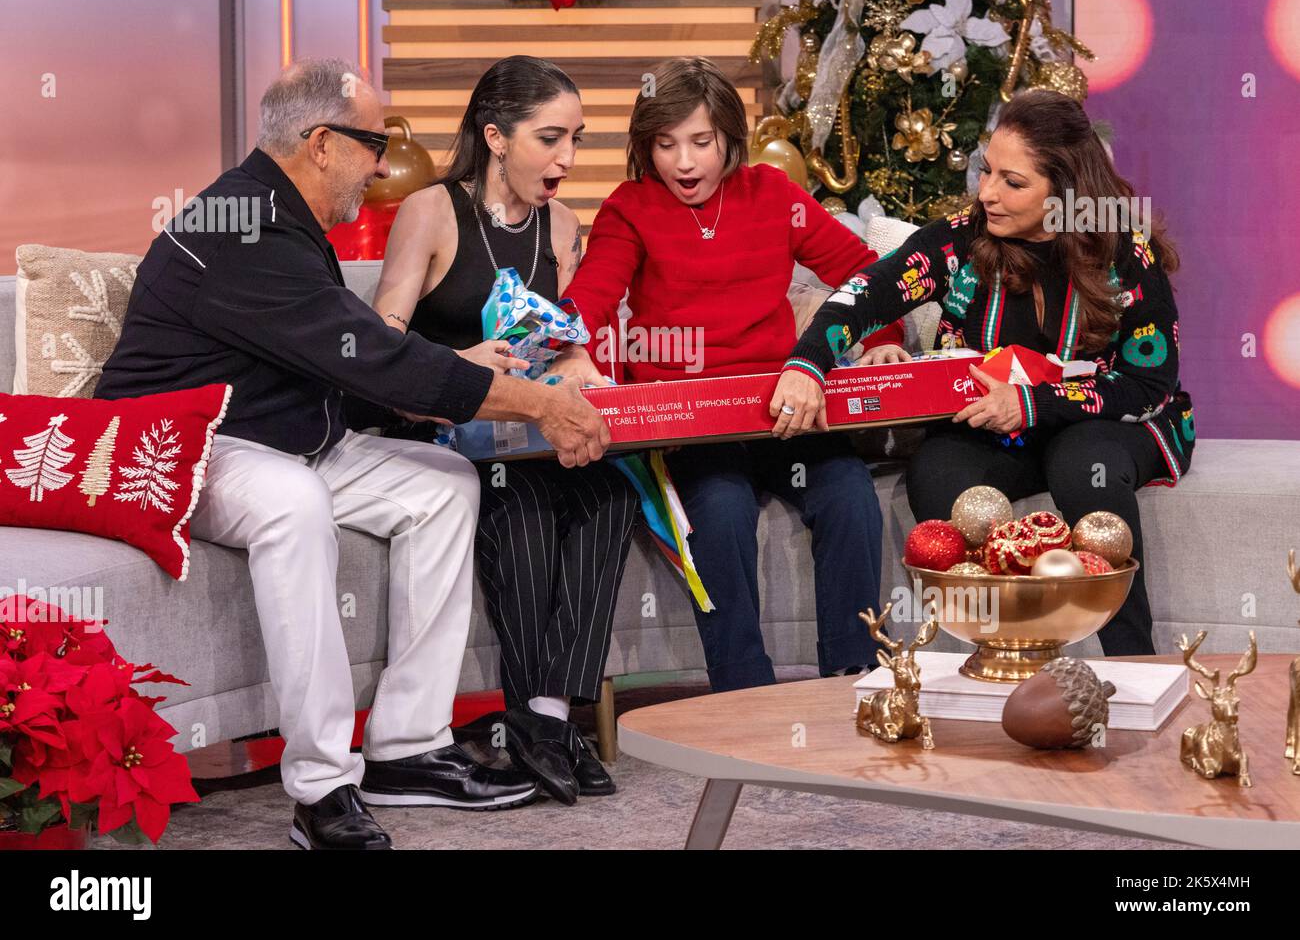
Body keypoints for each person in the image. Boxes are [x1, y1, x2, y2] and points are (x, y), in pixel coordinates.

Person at [95, 59, 610, 850]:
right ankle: (322, 787)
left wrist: (460, 377)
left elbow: (350, 364)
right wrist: (540, 401)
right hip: (181, 447)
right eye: (374, 144)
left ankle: (406, 745)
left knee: (443, 483)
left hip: (275, 434)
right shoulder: (243, 225)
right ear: (323, 142)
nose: (381, 168)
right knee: (292, 502)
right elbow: (373, 357)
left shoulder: (287, 218)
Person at [778, 88, 1194, 655]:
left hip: (1108, 419)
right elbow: (864, 295)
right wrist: (807, 364)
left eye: (1012, 182)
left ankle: (1134, 660)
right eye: (987, 171)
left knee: (1084, 467)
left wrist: (1032, 403)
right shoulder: (962, 238)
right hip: (997, 429)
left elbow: (1149, 385)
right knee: (937, 474)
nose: (988, 194)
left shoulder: (1125, 253)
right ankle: (1005, 657)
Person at [553, 57, 908, 693]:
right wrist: (572, 346)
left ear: (729, 139)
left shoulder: (772, 194)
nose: (683, 163)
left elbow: (863, 274)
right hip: (691, 419)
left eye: (700, 142)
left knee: (849, 493)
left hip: (784, 405)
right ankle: (743, 691)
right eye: (665, 145)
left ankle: (855, 676)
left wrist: (881, 338)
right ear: (645, 146)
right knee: (719, 508)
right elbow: (595, 289)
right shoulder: (631, 207)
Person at [372, 56, 638, 805]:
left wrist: (584, 364)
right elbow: (377, 349)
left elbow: (565, 340)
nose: (567, 159)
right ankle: (545, 724)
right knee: (519, 507)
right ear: (494, 135)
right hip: (450, 431)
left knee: (611, 500)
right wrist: (462, 364)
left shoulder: (560, 223)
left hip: (533, 427)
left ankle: (542, 717)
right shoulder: (429, 210)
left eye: (576, 139)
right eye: (550, 138)